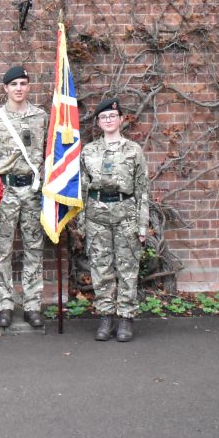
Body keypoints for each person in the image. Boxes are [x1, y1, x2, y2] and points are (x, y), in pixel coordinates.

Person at [0, 65, 49, 329]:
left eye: (23, 83)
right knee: (2, 250)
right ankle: (5, 304)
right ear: (5, 88)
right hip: (5, 191)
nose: (19, 88)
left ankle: (32, 305)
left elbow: (50, 154)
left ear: (28, 86)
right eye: (14, 84)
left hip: (33, 191)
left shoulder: (41, 117)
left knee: (34, 248)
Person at [80, 97, 150, 343]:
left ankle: (126, 318)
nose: (108, 120)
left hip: (126, 214)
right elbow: (82, 188)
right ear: (98, 123)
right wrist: (82, 222)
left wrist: (142, 224)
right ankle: (106, 317)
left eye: (112, 116)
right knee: (101, 268)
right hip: (96, 216)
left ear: (121, 119)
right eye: (103, 117)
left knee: (128, 267)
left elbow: (142, 189)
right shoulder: (89, 151)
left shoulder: (133, 150)